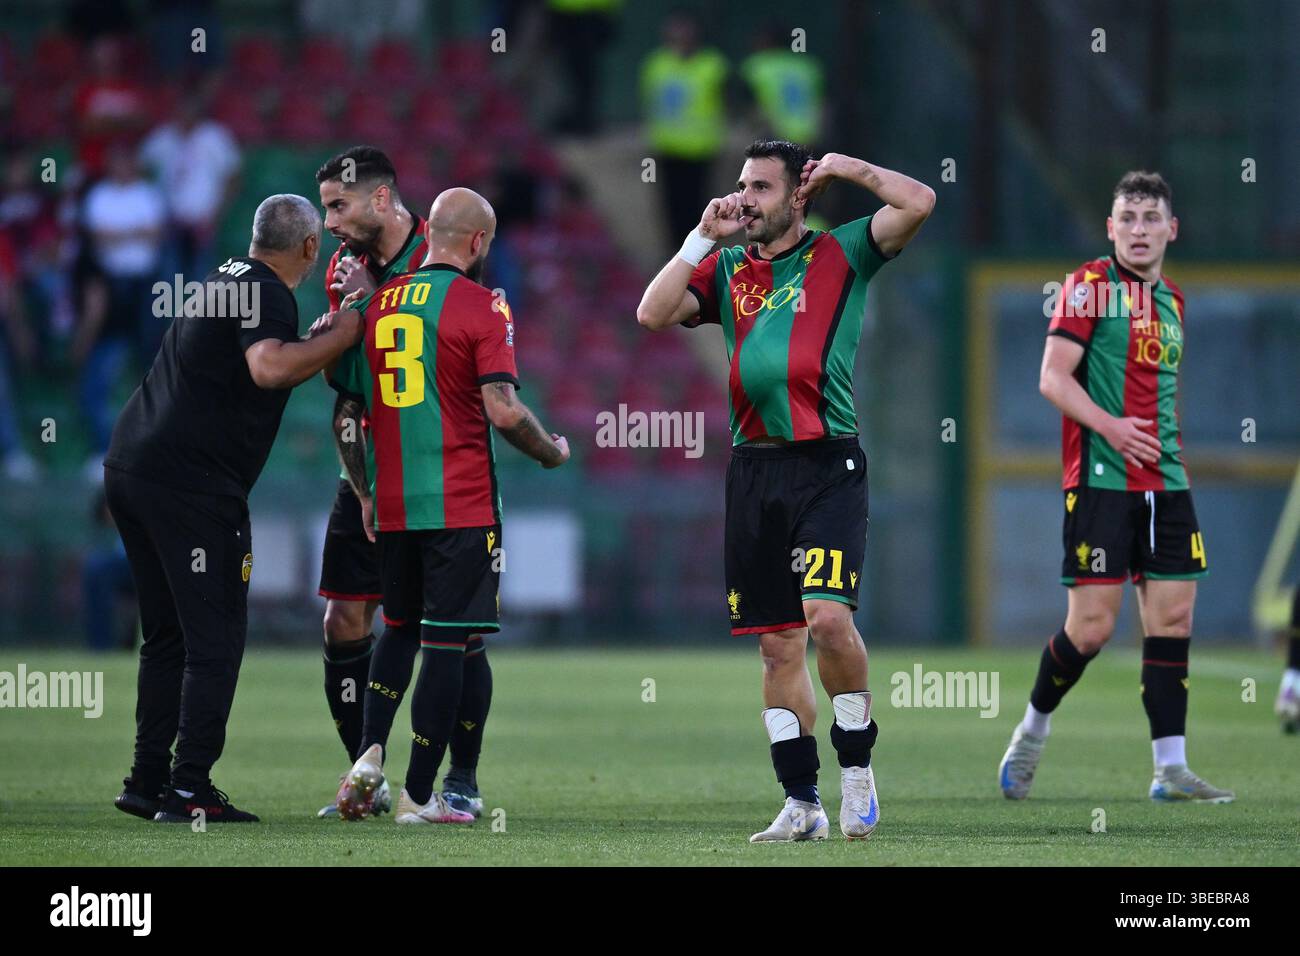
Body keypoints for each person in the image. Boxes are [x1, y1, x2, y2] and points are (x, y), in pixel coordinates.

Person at [635, 139, 934, 842]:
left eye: (761, 188)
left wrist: (849, 169)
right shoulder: (727, 266)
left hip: (827, 465)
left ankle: (856, 767)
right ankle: (802, 803)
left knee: (827, 620)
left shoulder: (842, 252)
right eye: (742, 186)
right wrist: (698, 238)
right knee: (776, 646)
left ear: (798, 195)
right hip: (754, 470)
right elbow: (652, 314)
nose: (745, 200)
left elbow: (918, 200)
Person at [105, 194, 362, 823]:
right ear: (308, 247)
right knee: (214, 640)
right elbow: (269, 367)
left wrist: (311, 339)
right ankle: (189, 786)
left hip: (132, 468)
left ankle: (146, 780)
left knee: (164, 637)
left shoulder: (219, 279)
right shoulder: (272, 292)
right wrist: (349, 330)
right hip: (192, 489)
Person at [328, 187, 569, 825]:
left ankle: (369, 753)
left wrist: (364, 494)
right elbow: (503, 409)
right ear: (479, 242)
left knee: (398, 629)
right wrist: (550, 452)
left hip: (396, 502)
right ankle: (418, 795)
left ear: (427, 231)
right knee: (448, 644)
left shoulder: (377, 304)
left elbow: (349, 412)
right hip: (460, 504)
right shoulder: (484, 304)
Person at [998, 171, 1233, 804]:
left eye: (1150, 217)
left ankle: (1171, 770)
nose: (1138, 229)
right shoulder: (1089, 288)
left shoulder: (1174, 302)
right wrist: (1112, 428)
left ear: (1170, 229)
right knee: (1093, 631)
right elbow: (1052, 378)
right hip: (1101, 480)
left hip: (1169, 482)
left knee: (1174, 621)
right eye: (1126, 217)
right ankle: (1031, 732)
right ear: (1109, 228)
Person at [313, 147, 495, 819]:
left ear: (383, 199)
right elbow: (348, 394)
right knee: (344, 620)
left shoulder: (445, 243)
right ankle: (366, 772)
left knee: (457, 632)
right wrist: (361, 490)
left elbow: (486, 333)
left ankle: (461, 779)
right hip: (367, 473)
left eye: (340, 205)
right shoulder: (342, 272)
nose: (330, 222)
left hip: (442, 477)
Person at [639, 13, 729, 247]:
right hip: (667, 147)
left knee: (699, 207)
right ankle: (675, 258)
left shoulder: (712, 64)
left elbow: (726, 99)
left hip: (700, 149)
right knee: (670, 208)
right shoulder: (656, 64)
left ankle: (699, 258)